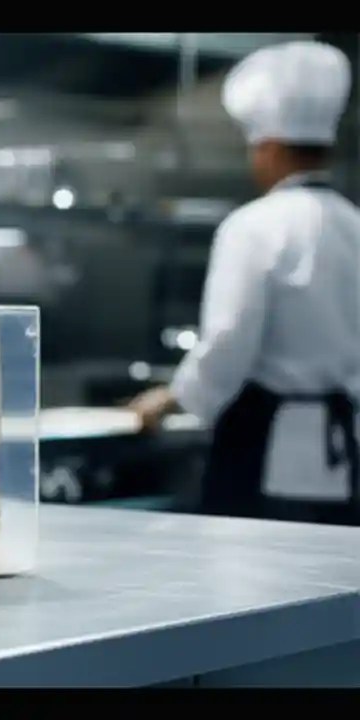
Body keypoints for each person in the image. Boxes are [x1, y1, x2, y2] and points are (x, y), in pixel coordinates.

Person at [130, 40, 360, 526]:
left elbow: (229, 340)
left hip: (270, 453)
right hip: (346, 452)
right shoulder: (354, 225)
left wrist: (172, 397)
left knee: (259, 567)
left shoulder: (253, 227)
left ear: (270, 149)